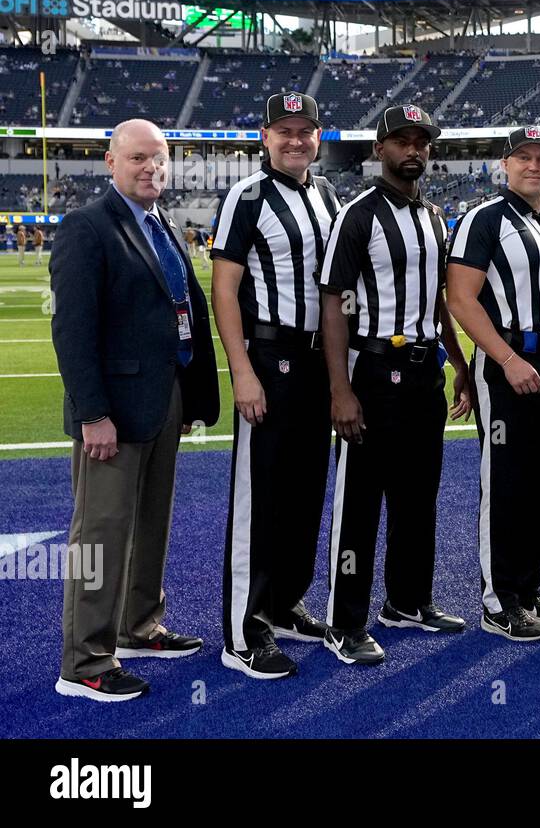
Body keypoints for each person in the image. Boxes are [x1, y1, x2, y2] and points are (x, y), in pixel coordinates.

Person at [50, 119, 220, 701]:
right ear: (111, 163)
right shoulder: (87, 226)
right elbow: (73, 331)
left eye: (160, 159)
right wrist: (93, 412)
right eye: (139, 158)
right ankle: (85, 661)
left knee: (151, 524)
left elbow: (179, 310)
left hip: (162, 398)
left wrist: (189, 396)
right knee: (99, 534)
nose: (152, 168)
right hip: (113, 411)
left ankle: (137, 625)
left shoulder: (161, 223)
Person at [318, 104, 472, 666]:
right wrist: (341, 390)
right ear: (379, 149)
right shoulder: (358, 214)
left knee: (417, 498)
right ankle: (345, 621)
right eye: (401, 141)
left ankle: (407, 602)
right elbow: (332, 303)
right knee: (359, 504)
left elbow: (439, 300)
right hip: (375, 371)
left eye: (421, 142)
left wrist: (460, 364)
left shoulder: (433, 216)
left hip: (424, 371)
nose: (413, 150)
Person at [211, 92, 340, 680]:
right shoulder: (248, 195)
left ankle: (285, 604)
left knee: (306, 490)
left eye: (305, 131)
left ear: (319, 137)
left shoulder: (327, 195)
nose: (295, 140)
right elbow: (224, 290)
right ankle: (244, 632)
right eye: (284, 130)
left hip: (319, 361)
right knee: (260, 497)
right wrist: (241, 371)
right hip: (271, 356)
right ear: (265, 136)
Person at [447, 125, 540, 642]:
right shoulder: (483, 220)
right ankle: (498, 599)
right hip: (506, 364)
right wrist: (505, 359)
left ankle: (528, 589)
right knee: (506, 483)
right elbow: (460, 298)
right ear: (504, 164)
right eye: (522, 157)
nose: (533, 165)